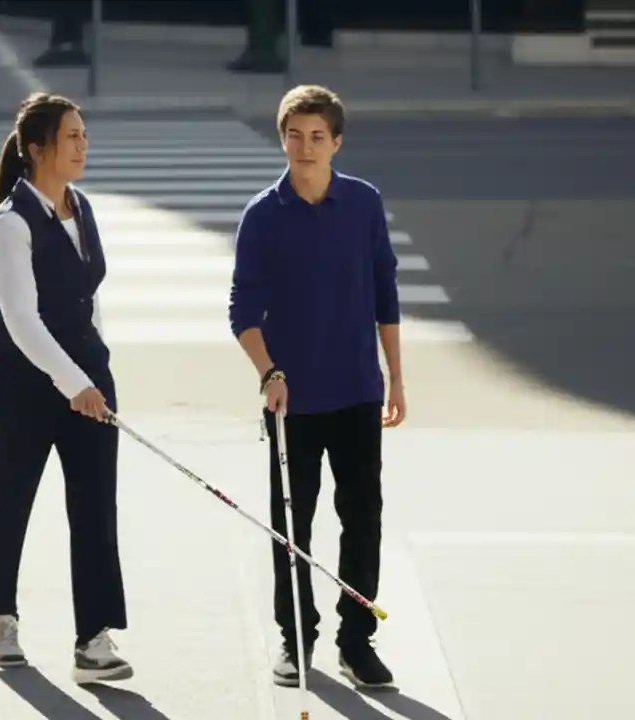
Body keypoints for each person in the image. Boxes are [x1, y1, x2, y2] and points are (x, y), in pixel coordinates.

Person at [228, 84, 405, 689]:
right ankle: (294, 638)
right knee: (291, 524)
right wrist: (269, 372)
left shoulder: (363, 204)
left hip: (357, 390)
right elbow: (242, 311)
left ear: (336, 142)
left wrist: (396, 377)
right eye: (294, 136)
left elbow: (385, 293)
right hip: (293, 399)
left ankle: (357, 641)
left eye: (317, 137)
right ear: (283, 139)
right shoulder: (262, 216)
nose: (305, 148)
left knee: (363, 518)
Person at [0, 91, 130, 685]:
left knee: (95, 507)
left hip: (88, 382)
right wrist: (74, 383)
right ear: (37, 148)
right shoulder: (11, 223)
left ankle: (94, 639)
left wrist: (97, 370)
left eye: (84, 134)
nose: (82, 145)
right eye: (71, 137)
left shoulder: (81, 206)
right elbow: (22, 320)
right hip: (20, 386)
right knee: (10, 499)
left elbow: (86, 299)